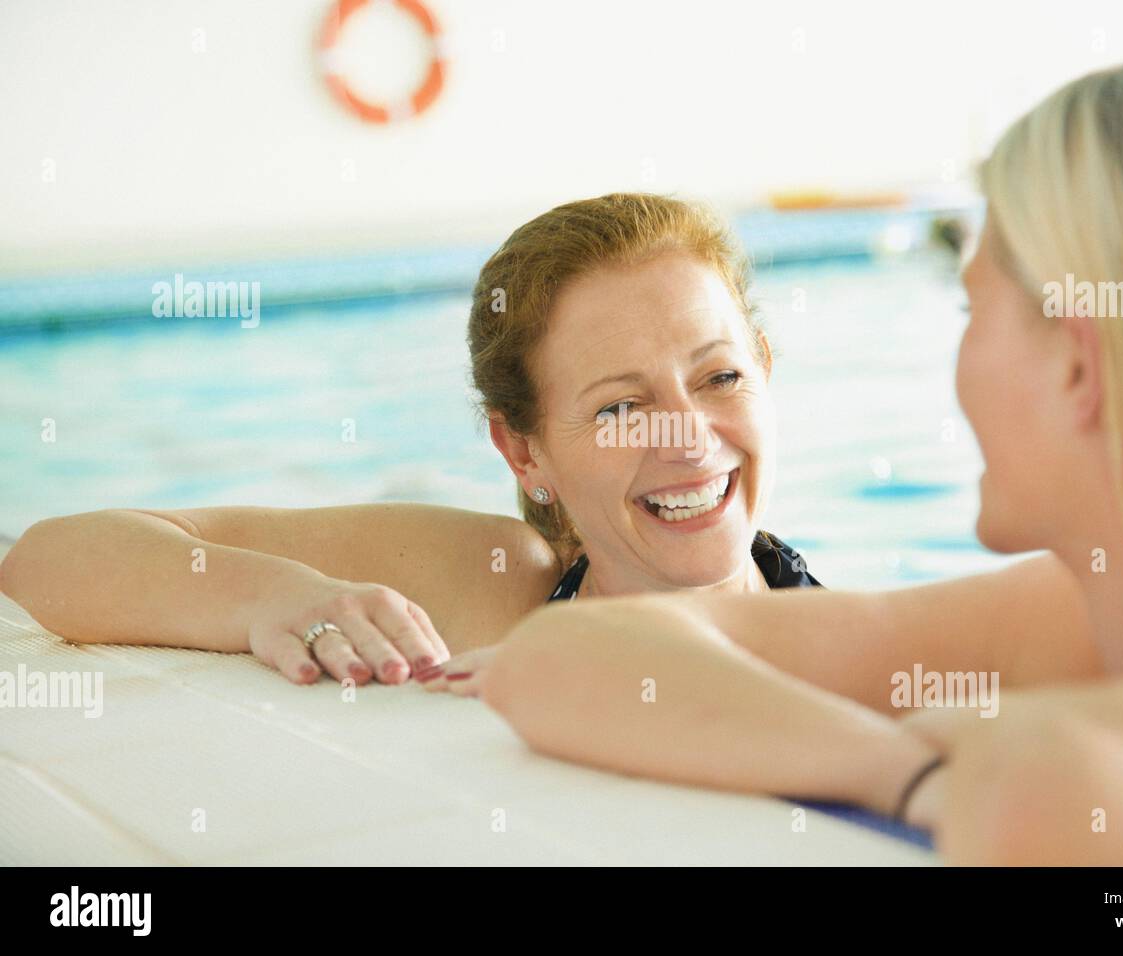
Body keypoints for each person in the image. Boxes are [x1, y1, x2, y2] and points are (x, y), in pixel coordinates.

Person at [435, 52, 1123, 864]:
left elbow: (1055, 788)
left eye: (969, 310)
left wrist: (996, 758)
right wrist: (913, 777)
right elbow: (567, 656)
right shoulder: (1108, 597)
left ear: (1078, 362)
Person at [0, 194, 832, 683]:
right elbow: (49, 561)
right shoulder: (496, 591)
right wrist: (271, 598)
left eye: (720, 377)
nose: (688, 437)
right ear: (524, 451)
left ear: (763, 365)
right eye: (618, 409)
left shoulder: (859, 643)